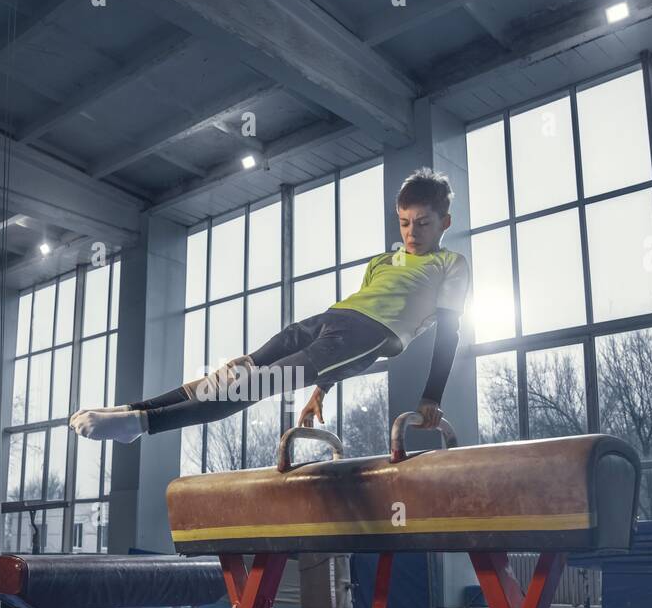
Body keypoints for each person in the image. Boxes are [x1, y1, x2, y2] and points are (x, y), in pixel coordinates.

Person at [70, 166, 469, 443]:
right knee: (233, 373)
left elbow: (448, 333)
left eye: (423, 223)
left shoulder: (450, 264)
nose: (411, 232)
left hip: (368, 335)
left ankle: (142, 424)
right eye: (404, 222)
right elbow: (353, 314)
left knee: (255, 385)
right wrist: (320, 392)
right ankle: (130, 410)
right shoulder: (383, 261)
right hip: (328, 321)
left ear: (444, 223)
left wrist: (432, 395)